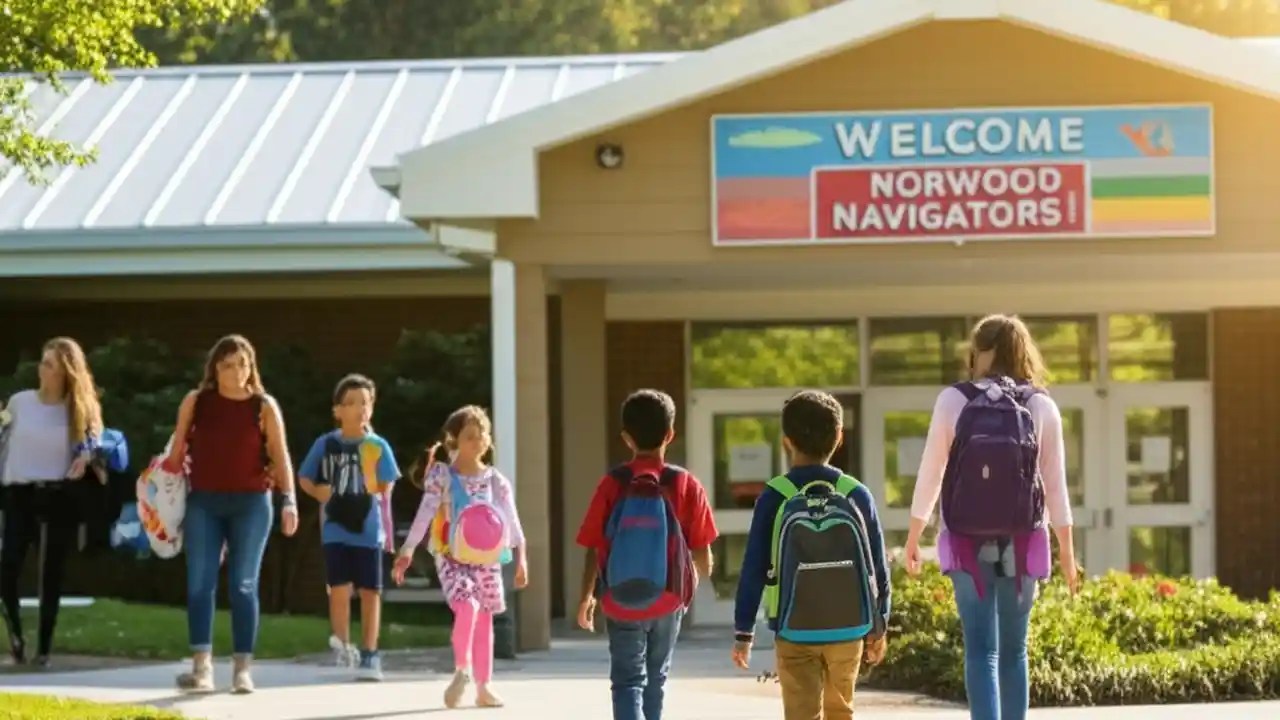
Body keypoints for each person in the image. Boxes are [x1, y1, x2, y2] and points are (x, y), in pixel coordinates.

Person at [904, 314, 1080, 720]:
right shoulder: (1041, 404)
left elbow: (931, 471)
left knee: (980, 649)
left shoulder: (953, 400)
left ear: (980, 352)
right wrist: (1067, 552)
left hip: (966, 541)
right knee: (1015, 650)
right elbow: (1056, 486)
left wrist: (914, 535)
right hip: (1024, 542)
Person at [731, 389, 890, 720]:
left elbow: (754, 567)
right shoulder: (856, 493)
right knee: (840, 711)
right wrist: (880, 623)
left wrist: (743, 631)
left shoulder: (775, 496)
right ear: (839, 438)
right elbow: (878, 565)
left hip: (793, 628)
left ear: (787, 441)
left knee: (801, 713)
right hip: (849, 628)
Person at [164, 334, 299, 694]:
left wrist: (289, 499)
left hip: (252, 504)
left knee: (243, 585)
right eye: (227, 365)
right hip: (204, 503)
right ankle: (202, 667)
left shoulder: (263, 406)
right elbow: (176, 455)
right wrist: (160, 485)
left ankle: (242, 667)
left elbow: (280, 454)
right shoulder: (196, 402)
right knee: (199, 584)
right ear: (215, 369)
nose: (235, 371)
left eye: (242, 363)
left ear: (251, 367)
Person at [575, 389, 718, 720]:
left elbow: (594, 544)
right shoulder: (685, 484)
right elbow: (704, 557)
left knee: (627, 681)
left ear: (626, 438)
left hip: (620, 597)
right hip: (667, 598)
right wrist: (690, 582)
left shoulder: (613, 483)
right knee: (656, 679)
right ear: (670, 434)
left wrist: (586, 598)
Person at [392, 405, 527, 709]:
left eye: (482, 436)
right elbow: (425, 512)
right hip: (452, 559)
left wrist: (522, 557)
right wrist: (408, 550)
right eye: (470, 437)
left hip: (488, 560)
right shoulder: (442, 477)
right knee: (467, 606)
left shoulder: (495, 480)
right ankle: (461, 671)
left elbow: (512, 520)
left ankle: (484, 685)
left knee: (485, 620)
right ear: (453, 440)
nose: (478, 442)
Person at [0, 338, 103, 667]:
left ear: (65, 374)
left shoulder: (78, 411)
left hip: (57, 496)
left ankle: (44, 647)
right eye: (42, 362)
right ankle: (15, 635)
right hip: (18, 494)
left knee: (50, 574)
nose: (41, 370)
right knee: (7, 570)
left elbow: (100, 446)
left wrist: (88, 456)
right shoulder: (19, 403)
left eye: (50, 365)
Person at [299, 373, 399, 682]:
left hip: (369, 530)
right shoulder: (326, 444)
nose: (360, 408)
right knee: (339, 589)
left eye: (366, 403)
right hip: (335, 529)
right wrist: (318, 492)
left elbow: (388, 483)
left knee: (371, 592)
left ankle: (370, 653)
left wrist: (375, 485)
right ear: (337, 410)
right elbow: (305, 476)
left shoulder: (378, 445)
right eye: (352, 402)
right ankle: (343, 644)